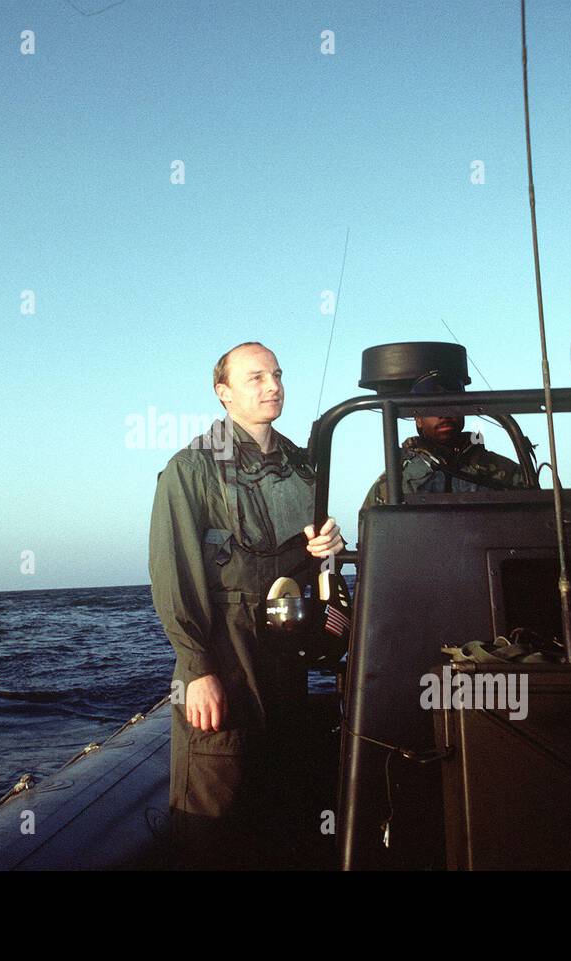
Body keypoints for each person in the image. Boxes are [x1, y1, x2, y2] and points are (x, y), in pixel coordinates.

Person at [148, 341, 344, 868]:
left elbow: (314, 568)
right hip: (225, 652)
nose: (272, 385)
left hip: (286, 654)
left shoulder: (303, 467)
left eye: (277, 374)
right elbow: (175, 577)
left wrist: (329, 548)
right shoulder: (190, 470)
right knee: (218, 791)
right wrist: (197, 670)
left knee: (281, 796)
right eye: (255, 378)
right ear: (224, 394)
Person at [360, 372, 529, 511]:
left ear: (464, 409)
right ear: (418, 419)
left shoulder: (505, 472)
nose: (443, 414)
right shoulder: (394, 481)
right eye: (431, 407)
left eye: (451, 403)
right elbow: (371, 540)